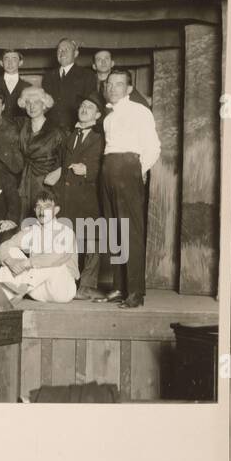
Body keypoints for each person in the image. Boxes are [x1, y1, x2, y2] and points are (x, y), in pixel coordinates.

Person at [99, 68, 161, 309]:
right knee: (114, 230)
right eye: (109, 84)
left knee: (130, 232)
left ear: (129, 89)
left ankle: (135, 292)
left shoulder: (140, 112)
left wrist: (137, 171)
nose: (112, 88)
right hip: (108, 169)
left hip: (128, 169)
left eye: (118, 84)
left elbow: (153, 148)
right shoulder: (108, 118)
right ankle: (119, 286)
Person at [54, 94, 108, 299]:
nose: (84, 109)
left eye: (90, 107)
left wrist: (87, 170)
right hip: (68, 196)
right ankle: (68, 282)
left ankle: (87, 285)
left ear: (98, 114)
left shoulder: (102, 136)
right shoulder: (70, 135)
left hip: (90, 195)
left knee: (92, 241)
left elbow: (106, 164)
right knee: (69, 240)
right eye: (82, 106)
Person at [0, 190, 79, 303]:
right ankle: (4, 295)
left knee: (55, 262)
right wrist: (10, 261)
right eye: (38, 207)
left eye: (47, 207)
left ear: (56, 210)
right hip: (36, 289)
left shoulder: (66, 232)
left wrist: (26, 263)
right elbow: (4, 246)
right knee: (12, 250)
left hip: (61, 289)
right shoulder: (31, 231)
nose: (42, 211)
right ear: (35, 210)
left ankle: (19, 290)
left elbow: (55, 258)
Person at [17, 86, 65, 222]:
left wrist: (59, 171)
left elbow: (66, 157)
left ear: (44, 105)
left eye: (36, 102)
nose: (31, 107)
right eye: (28, 103)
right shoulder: (21, 125)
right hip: (25, 180)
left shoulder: (56, 130)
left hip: (47, 181)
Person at [42, 37, 99, 131]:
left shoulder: (87, 75)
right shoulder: (48, 76)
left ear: (75, 54)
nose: (62, 53)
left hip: (75, 129)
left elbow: (90, 106)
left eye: (67, 49)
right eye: (60, 50)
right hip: (51, 131)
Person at [0, 49, 30, 119]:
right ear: (1, 63)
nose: (10, 63)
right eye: (6, 59)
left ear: (20, 63)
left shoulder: (28, 87)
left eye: (14, 59)